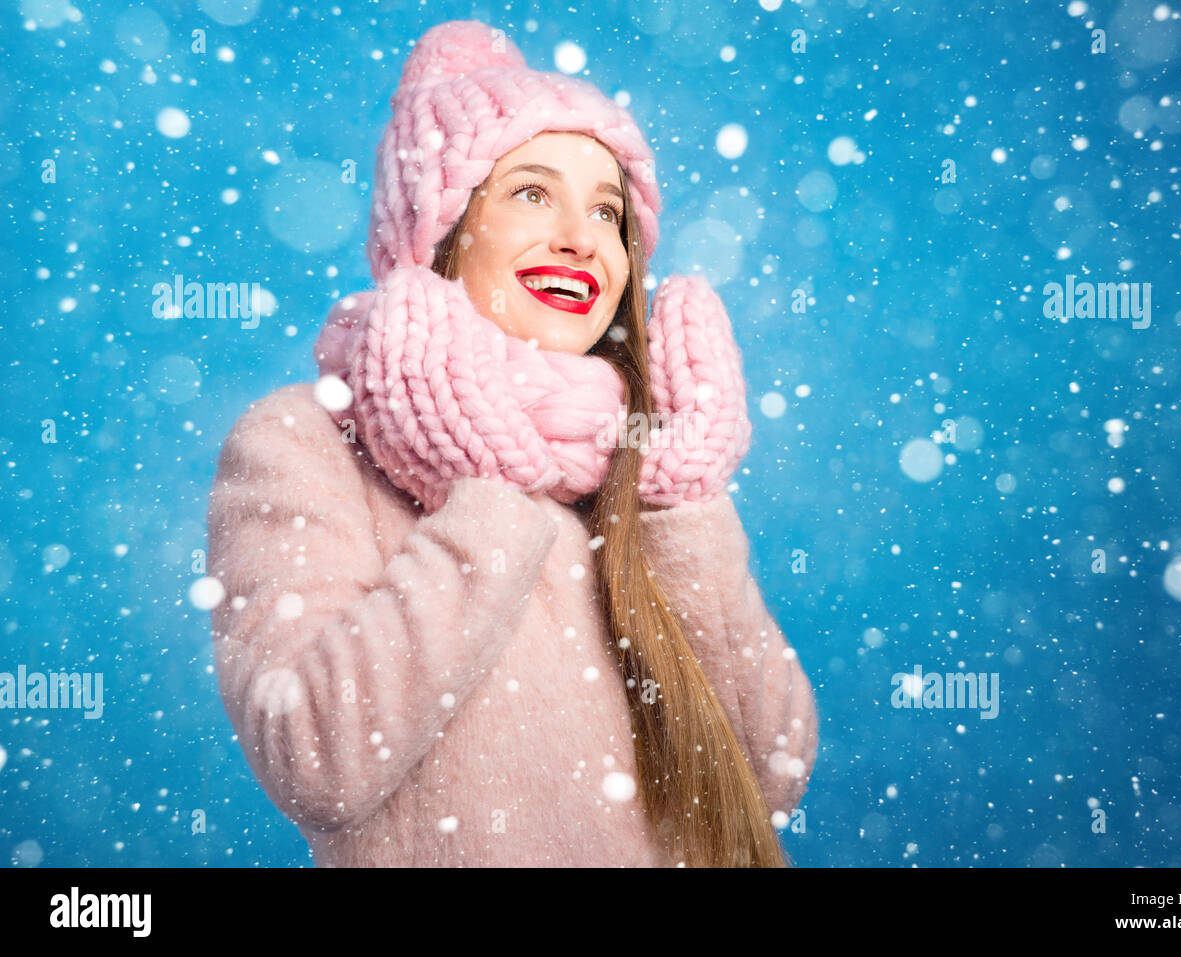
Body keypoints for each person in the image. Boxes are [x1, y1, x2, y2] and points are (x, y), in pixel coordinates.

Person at [206, 19, 818, 868]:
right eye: (532, 193)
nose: (580, 237)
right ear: (439, 229)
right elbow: (317, 758)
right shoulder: (305, 440)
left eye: (608, 211)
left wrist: (683, 498)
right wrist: (484, 482)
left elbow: (769, 774)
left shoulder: (628, 452)